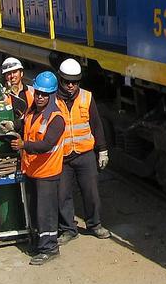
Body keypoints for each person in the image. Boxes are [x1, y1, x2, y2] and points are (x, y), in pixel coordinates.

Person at [11, 71, 65, 265]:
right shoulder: (32, 111)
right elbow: (23, 124)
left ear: (51, 96)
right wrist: (12, 125)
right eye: (38, 93)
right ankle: (39, 242)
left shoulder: (56, 118)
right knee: (35, 210)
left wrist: (24, 145)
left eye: (44, 94)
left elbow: (46, 144)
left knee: (46, 212)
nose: (40, 97)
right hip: (32, 171)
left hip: (48, 173)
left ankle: (50, 247)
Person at [54, 58, 111, 245]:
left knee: (91, 192)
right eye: (67, 82)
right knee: (62, 195)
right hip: (62, 156)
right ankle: (69, 229)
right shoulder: (51, 99)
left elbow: (96, 125)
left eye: (75, 82)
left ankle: (94, 225)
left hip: (84, 154)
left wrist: (102, 150)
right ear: (60, 80)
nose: (71, 86)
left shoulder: (86, 97)